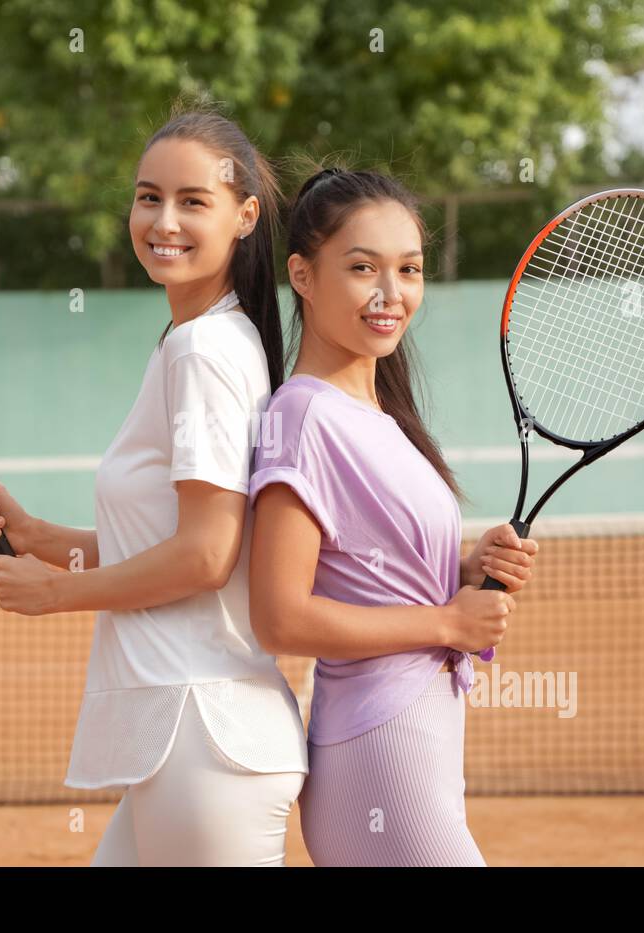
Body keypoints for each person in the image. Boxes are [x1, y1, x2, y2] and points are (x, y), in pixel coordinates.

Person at [0, 102, 307, 866]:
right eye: (149, 197)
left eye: (191, 201)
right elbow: (170, 543)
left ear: (244, 216)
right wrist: (39, 537)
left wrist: (54, 594)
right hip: (191, 734)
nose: (163, 220)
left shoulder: (205, 351)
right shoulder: (202, 339)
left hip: (203, 733)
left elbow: (206, 557)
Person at [247, 167, 540, 866]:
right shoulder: (302, 413)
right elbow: (279, 617)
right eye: (362, 268)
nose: (392, 294)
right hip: (380, 748)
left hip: (416, 736)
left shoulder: (381, 415)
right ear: (303, 276)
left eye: (409, 269)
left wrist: (469, 567)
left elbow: (369, 569)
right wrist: (447, 622)